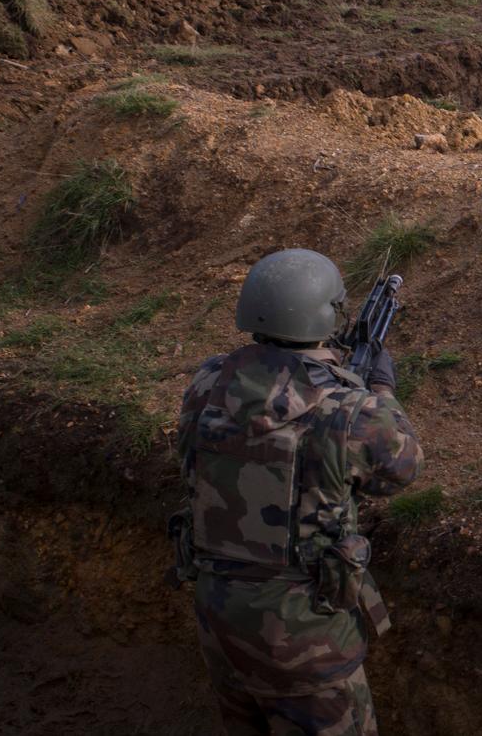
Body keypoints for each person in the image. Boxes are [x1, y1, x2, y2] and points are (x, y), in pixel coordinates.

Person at [173, 248, 423, 736]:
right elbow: (401, 469)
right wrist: (380, 389)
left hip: (220, 618)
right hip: (307, 636)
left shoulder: (207, 382)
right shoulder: (349, 411)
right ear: (324, 315)